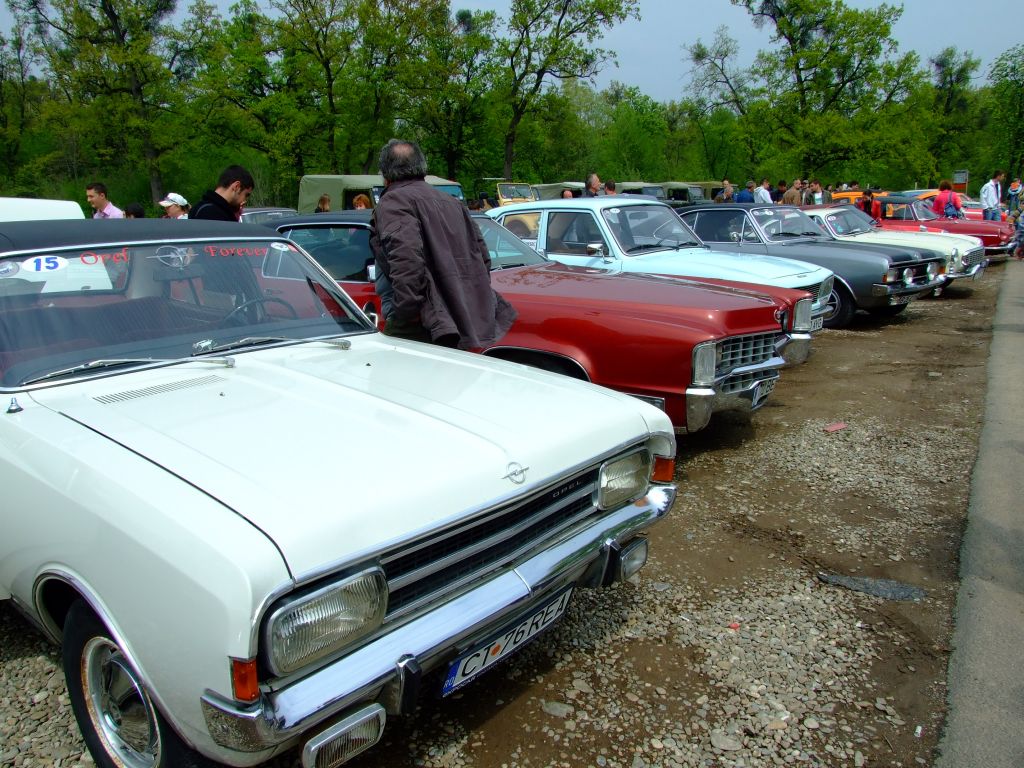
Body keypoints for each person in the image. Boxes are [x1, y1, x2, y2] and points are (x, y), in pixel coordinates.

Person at [369, 138, 516, 349]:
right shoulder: (452, 202)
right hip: (454, 316)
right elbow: (482, 257)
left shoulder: (393, 202)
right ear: (422, 168)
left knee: (392, 379)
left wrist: (405, 316)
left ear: (385, 174)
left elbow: (407, 262)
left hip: (422, 322)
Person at [190, 165, 254, 221]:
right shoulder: (213, 214)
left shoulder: (198, 208)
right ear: (236, 187)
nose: (244, 200)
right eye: (246, 195)